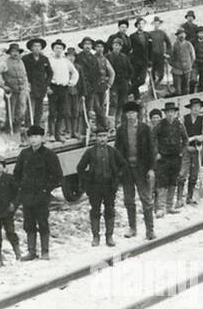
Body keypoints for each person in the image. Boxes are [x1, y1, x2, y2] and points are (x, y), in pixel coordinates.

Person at [13, 125, 63, 259]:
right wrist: (21, 187)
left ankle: (45, 251)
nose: (33, 140)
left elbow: (57, 176)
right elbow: (17, 173)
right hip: (27, 195)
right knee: (29, 223)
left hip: (41, 195)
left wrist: (46, 189)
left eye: (36, 137)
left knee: (42, 222)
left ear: (42, 138)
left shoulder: (49, 155)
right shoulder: (24, 154)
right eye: (31, 137)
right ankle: (31, 251)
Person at [76, 130, 127, 247]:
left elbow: (123, 165)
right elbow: (80, 168)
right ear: (95, 138)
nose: (102, 139)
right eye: (99, 136)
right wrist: (88, 180)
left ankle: (109, 236)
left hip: (109, 186)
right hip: (95, 187)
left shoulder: (113, 152)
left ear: (108, 137)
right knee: (95, 211)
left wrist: (117, 177)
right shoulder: (90, 152)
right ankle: (95, 237)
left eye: (104, 136)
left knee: (109, 210)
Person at [116, 100, 157, 239]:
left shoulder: (145, 128)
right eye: (128, 113)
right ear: (126, 115)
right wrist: (119, 169)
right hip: (127, 170)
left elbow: (152, 150)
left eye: (133, 112)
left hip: (142, 169)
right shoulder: (121, 129)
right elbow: (118, 150)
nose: (131, 115)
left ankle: (150, 230)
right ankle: (132, 228)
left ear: (137, 114)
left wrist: (151, 169)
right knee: (129, 200)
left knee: (146, 199)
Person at [154, 101, 189, 216]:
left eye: (172, 112)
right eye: (168, 112)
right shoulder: (160, 124)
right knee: (162, 182)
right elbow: (153, 139)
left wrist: (182, 152)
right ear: (165, 113)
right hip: (163, 158)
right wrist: (157, 152)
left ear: (175, 113)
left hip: (175, 157)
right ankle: (161, 208)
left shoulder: (179, 124)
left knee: (173, 181)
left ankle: (170, 206)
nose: (170, 114)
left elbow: (185, 140)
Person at [0, 44, 31, 137]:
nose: (15, 53)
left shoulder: (21, 62)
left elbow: (25, 76)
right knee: (11, 113)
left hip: (22, 91)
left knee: (20, 112)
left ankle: (17, 132)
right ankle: (9, 133)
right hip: (11, 92)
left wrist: (26, 86)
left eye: (17, 51)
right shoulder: (4, 63)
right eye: (13, 51)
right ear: (10, 53)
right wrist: (3, 86)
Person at [182, 96, 203, 206]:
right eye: (194, 107)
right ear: (190, 108)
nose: (196, 109)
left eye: (198, 107)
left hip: (198, 149)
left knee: (194, 174)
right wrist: (189, 140)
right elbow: (181, 135)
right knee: (182, 173)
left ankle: (190, 196)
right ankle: (179, 198)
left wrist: (195, 138)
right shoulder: (184, 119)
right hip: (186, 149)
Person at [23, 37, 54, 132]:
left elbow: (50, 73)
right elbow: (22, 72)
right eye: (35, 46)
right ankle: (29, 130)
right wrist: (26, 83)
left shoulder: (44, 59)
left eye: (39, 46)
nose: (37, 48)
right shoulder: (25, 59)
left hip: (41, 88)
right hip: (30, 87)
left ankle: (36, 129)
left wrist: (46, 84)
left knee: (39, 110)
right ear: (31, 48)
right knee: (29, 110)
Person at [47, 39, 74, 140]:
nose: (58, 50)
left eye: (60, 48)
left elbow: (75, 73)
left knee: (61, 112)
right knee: (52, 112)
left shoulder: (66, 61)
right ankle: (51, 134)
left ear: (63, 50)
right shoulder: (49, 60)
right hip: (53, 88)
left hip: (63, 88)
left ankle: (58, 134)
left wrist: (71, 83)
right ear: (53, 49)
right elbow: (45, 75)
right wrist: (47, 87)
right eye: (56, 48)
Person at [75, 38, 101, 136]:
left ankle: (89, 128)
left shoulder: (94, 58)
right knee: (81, 109)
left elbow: (97, 73)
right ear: (82, 46)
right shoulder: (79, 57)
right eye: (85, 44)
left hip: (92, 88)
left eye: (89, 44)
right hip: (82, 87)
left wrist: (95, 85)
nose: (88, 46)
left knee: (90, 109)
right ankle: (80, 129)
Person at [107, 38, 134, 128]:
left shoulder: (124, 57)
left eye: (119, 45)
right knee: (113, 102)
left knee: (122, 102)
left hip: (123, 83)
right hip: (113, 83)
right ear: (112, 46)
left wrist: (127, 79)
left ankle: (118, 122)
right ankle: (111, 123)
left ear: (121, 47)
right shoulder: (107, 56)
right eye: (115, 45)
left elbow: (130, 70)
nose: (117, 47)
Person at [92, 40, 114, 132]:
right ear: (95, 48)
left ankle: (99, 127)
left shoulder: (105, 59)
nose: (100, 49)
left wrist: (109, 84)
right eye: (97, 47)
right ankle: (106, 125)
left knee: (101, 106)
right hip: (93, 87)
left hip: (102, 86)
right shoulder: (92, 58)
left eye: (101, 47)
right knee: (96, 106)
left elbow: (112, 73)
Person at [147, 17, 171, 92]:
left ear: (160, 24)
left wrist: (167, 53)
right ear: (153, 24)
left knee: (161, 74)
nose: (156, 24)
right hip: (152, 57)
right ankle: (152, 89)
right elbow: (147, 46)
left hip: (161, 56)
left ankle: (156, 85)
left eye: (158, 23)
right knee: (152, 74)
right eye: (155, 23)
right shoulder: (150, 34)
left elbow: (169, 43)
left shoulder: (162, 33)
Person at [128, 20, 151, 98]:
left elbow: (151, 48)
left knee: (142, 80)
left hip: (145, 61)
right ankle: (137, 98)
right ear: (136, 26)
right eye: (139, 24)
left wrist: (150, 61)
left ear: (144, 25)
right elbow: (129, 48)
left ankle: (127, 91)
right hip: (135, 61)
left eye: (142, 24)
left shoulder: (148, 35)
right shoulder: (132, 36)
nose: (140, 25)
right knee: (134, 79)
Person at [170, 27, 195, 96]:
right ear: (177, 36)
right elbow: (171, 58)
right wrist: (175, 65)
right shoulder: (174, 45)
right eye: (179, 34)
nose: (181, 36)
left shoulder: (189, 44)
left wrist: (189, 65)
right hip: (177, 70)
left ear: (185, 35)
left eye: (183, 34)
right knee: (177, 89)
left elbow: (193, 57)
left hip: (187, 69)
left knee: (186, 88)